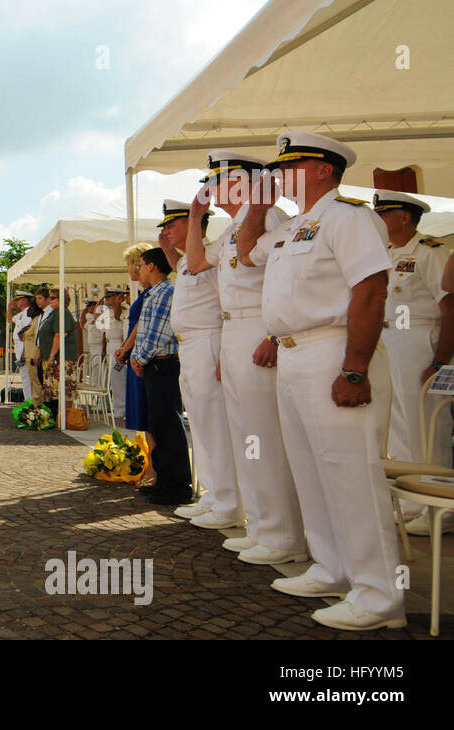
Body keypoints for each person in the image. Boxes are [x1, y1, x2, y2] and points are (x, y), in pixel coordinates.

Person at [243, 130, 404, 630]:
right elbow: (248, 252)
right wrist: (256, 205)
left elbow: (371, 291)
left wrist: (355, 366)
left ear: (322, 169)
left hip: (334, 349)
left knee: (350, 474)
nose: (280, 173)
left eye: (291, 165)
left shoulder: (349, 217)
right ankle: (332, 567)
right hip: (293, 354)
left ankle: (381, 597)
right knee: (312, 470)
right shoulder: (294, 227)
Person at [178, 152, 310, 567]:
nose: (211, 191)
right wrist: (197, 217)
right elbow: (197, 263)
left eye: (218, 182)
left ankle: (282, 533)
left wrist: (273, 333)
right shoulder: (235, 227)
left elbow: (280, 280)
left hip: (258, 327)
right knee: (244, 435)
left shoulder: (268, 219)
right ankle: (261, 526)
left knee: (262, 436)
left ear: (243, 183)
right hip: (234, 328)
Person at [157, 198, 244, 541]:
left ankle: (228, 502)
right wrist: (167, 251)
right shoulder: (185, 263)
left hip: (210, 342)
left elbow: (224, 304)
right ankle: (213, 494)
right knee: (201, 425)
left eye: (172, 225)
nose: (166, 231)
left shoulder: (211, 257)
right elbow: (184, 268)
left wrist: (224, 351)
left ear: (194, 225)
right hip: (189, 346)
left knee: (215, 424)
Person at [374, 190, 454, 536]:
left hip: (421, 341)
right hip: (391, 340)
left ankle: (440, 511)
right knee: (399, 425)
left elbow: (450, 305)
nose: (378, 221)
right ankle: (411, 501)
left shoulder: (429, 252)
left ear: (404, 217)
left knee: (427, 427)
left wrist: (440, 359)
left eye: (384, 214)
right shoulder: (387, 254)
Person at [129, 247, 192, 505]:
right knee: (158, 424)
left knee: (169, 425)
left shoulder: (166, 292)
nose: (139, 270)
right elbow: (145, 331)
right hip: (153, 363)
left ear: (152, 266)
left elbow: (161, 332)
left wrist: (139, 358)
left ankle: (178, 485)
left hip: (163, 364)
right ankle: (163, 480)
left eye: (141, 265)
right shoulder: (153, 293)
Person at [114, 243, 155, 481]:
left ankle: (153, 468)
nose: (129, 269)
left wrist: (125, 347)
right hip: (135, 355)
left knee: (149, 417)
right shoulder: (143, 293)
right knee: (143, 416)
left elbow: (141, 325)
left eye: (131, 263)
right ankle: (150, 464)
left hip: (142, 356)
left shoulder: (151, 292)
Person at [37, 287, 80, 418]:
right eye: (49, 297)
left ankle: (67, 418)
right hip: (55, 358)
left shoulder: (63, 313)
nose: (50, 300)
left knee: (65, 389)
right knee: (54, 390)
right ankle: (60, 417)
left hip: (62, 358)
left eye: (53, 298)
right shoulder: (54, 313)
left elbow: (59, 334)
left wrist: (51, 355)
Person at [103, 286, 129, 419]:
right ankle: (117, 407)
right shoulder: (108, 313)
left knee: (120, 378)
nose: (107, 299)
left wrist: (118, 303)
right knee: (113, 380)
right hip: (109, 346)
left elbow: (119, 318)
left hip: (118, 345)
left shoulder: (123, 311)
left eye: (110, 296)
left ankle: (122, 409)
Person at [10, 291, 36, 401]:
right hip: (20, 350)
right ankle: (28, 401)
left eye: (19, 300)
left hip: (26, 351)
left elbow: (27, 335)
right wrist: (9, 308)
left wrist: (24, 353)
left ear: (25, 300)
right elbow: (10, 319)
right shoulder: (21, 313)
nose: (16, 302)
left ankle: (30, 402)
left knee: (28, 379)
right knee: (25, 379)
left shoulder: (28, 314)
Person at [80, 299, 101, 381]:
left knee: (99, 371)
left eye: (89, 306)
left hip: (99, 348)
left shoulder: (101, 318)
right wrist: (84, 312)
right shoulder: (90, 319)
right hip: (92, 349)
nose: (87, 308)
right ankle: (95, 387)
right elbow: (82, 325)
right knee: (94, 370)